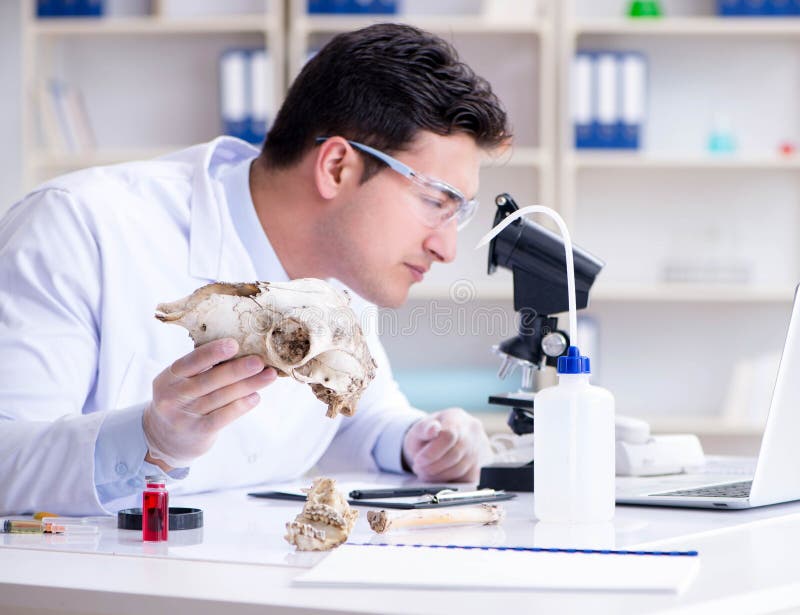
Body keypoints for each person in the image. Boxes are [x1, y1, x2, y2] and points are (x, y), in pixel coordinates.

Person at [0, 23, 510, 515]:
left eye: (459, 213)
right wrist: (149, 439)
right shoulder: (80, 225)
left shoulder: (342, 272)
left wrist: (417, 442)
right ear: (336, 167)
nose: (447, 248)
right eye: (436, 202)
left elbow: (357, 417)